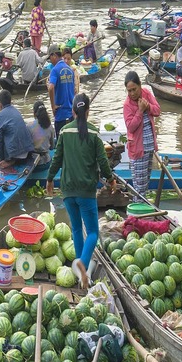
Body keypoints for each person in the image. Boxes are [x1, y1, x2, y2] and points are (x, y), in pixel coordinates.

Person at [47, 92, 113, 288]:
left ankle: (79, 275)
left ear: (73, 111)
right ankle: (82, 265)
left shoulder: (65, 132)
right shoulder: (93, 133)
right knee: (92, 231)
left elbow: (57, 159)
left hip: (67, 190)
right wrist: (110, 180)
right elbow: (102, 160)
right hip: (86, 191)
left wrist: (50, 179)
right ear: (88, 111)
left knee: (76, 229)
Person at [122, 72, 161, 196]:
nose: (132, 93)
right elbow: (131, 127)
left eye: (134, 89)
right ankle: (138, 213)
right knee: (139, 187)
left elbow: (157, 110)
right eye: (129, 91)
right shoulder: (127, 105)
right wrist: (140, 111)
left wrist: (148, 106)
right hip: (138, 149)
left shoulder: (146, 94)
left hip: (149, 147)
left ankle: (142, 212)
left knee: (145, 184)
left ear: (140, 85)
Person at [0, 90, 34, 170]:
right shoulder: (16, 111)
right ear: (10, 101)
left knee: (0, 137)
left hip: (16, 154)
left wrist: (2, 157)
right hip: (27, 151)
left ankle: (10, 161)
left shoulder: (0, 116)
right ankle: (12, 159)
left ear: (0, 105)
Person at [47, 46, 77, 132]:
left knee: (61, 142)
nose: (50, 61)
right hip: (71, 114)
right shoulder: (70, 70)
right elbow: (74, 91)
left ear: (54, 56)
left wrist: (53, 106)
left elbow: (51, 88)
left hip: (60, 114)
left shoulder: (55, 70)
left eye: (50, 58)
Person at [28, 101, 54, 166]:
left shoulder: (29, 126)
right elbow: (52, 147)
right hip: (46, 162)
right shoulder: (50, 126)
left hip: (34, 164)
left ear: (34, 113)